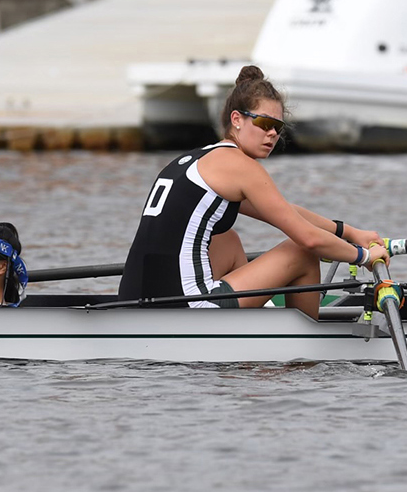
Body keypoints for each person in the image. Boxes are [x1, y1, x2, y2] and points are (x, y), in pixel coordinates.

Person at [116, 65, 391, 317]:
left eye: (277, 127)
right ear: (236, 119)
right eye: (263, 123)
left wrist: (349, 232)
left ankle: (257, 321)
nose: (272, 133)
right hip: (186, 305)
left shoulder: (200, 159)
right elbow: (307, 238)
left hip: (135, 297)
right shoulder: (240, 166)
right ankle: (305, 348)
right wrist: (365, 257)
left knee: (227, 238)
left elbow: (282, 211)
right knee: (303, 253)